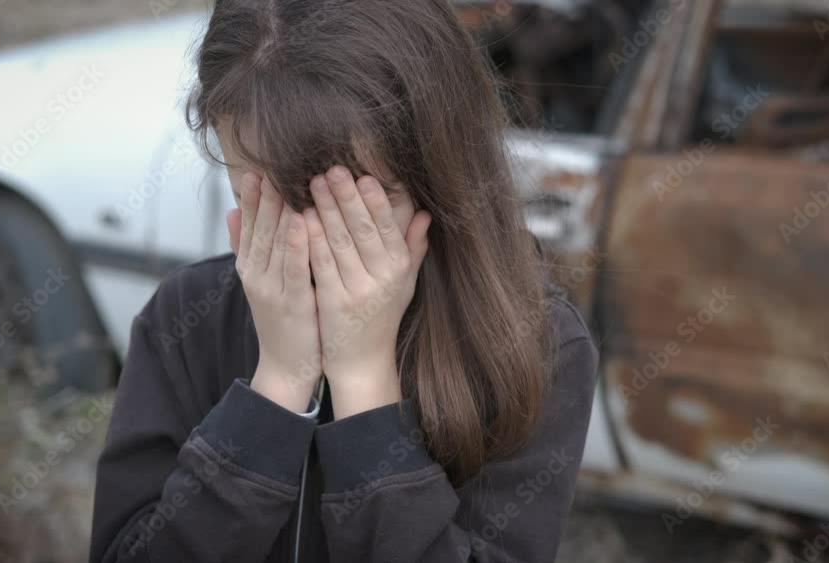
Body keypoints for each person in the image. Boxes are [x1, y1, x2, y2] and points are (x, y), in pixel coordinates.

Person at [89, 1, 599, 561]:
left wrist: (365, 389)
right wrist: (278, 386)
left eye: (352, 213)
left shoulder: (534, 343)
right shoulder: (183, 319)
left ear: (440, 175)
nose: (308, 250)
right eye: (261, 205)